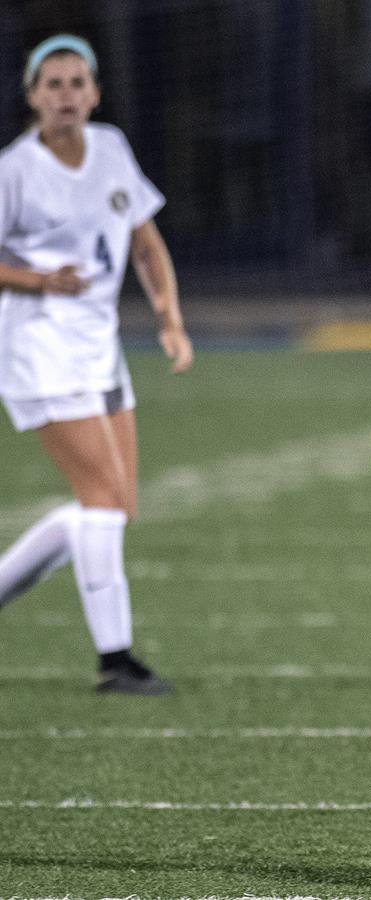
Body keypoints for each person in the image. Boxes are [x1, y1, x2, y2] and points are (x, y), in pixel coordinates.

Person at [0, 35, 191, 695]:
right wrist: (34, 280)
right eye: (52, 84)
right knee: (102, 503)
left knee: (111, 508)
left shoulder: (110, 148)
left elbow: (145, 241)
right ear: (31, 95)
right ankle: (116, 660)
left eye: (77, 83)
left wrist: (169, 319)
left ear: (95, 93)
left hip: (98, 346)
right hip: (40, 350)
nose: (66, 95)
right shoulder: (15, 169)